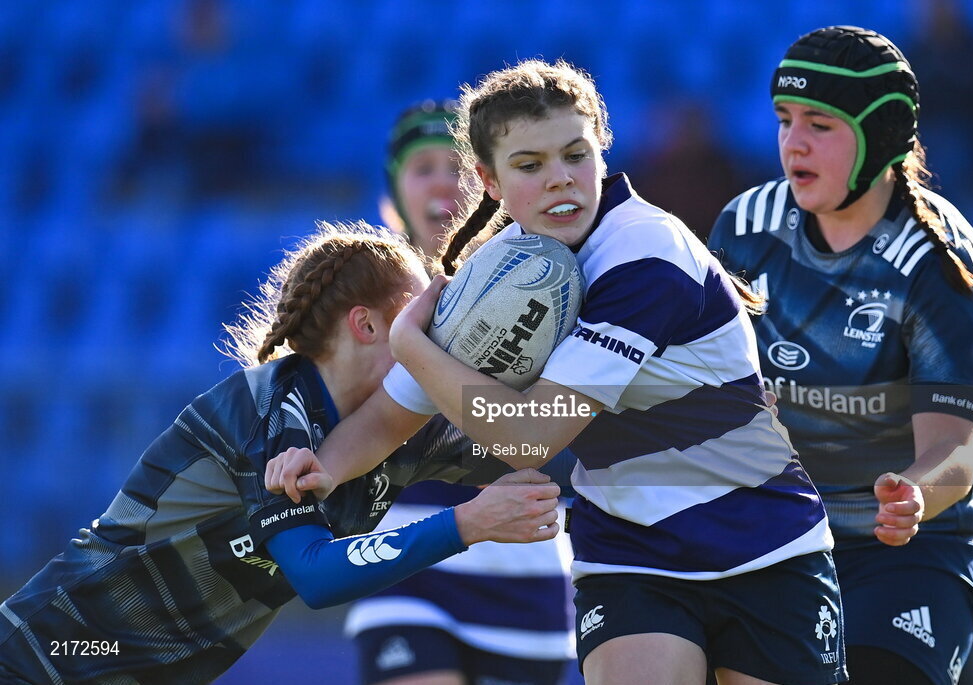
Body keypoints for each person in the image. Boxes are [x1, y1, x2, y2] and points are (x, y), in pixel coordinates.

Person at [268, 59, 846, 685]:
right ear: (488, 180)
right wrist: (318, 470)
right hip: (632, 556)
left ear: (603, 151)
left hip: (764, 544)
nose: (560, 180)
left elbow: (530, 437)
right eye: (529, 166)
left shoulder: (644, 254)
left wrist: (412, 342)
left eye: (576, 155)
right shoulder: (496, 277)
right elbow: (386, 416)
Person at [0, 222, 561, 685]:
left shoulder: (401, 431)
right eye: (418, 321)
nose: (436, 337)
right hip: (47, 653)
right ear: (366, 325)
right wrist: (466, 524)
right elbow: (317, 577)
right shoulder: (265, 413)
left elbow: (537, 444)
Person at [707, 26, 973, 685]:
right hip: (773, 540)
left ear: (882, 136)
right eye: (784, 119)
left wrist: (914, 496)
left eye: (821, 123)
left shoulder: (941, 262)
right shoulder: (744, 229)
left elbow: (955, 452)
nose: (793, 142)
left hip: (904, 555)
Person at [346, 101, 575, 685]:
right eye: (423, 167)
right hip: (404, 561)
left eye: (457, 167)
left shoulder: (548, 287)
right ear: (391, 194)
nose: (443, 183)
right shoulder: (355, 299)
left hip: (521, 559)